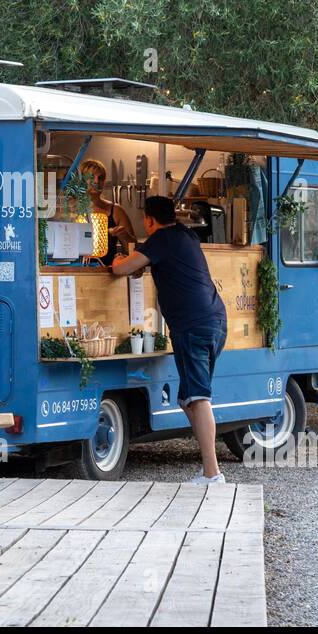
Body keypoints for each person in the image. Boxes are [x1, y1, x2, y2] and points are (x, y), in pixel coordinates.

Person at [111, 195, 228, 485]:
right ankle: (208, 468)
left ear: (149, 220)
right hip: (215, 320)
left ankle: (212, 474)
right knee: (188, 398)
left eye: (144, 220)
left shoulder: (160, 240)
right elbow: (146, 261)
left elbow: (122, 269)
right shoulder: (184, 235)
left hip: (192, 326)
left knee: (198, 398)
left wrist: (116, 257)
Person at [79, 159, 138, 266]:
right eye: (91, 177)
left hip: (106, 274)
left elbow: (133, 250)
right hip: (74, 272)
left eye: (100, 178)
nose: (96, 181)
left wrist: (124, 235)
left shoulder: (116, 211)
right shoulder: (70, 210)